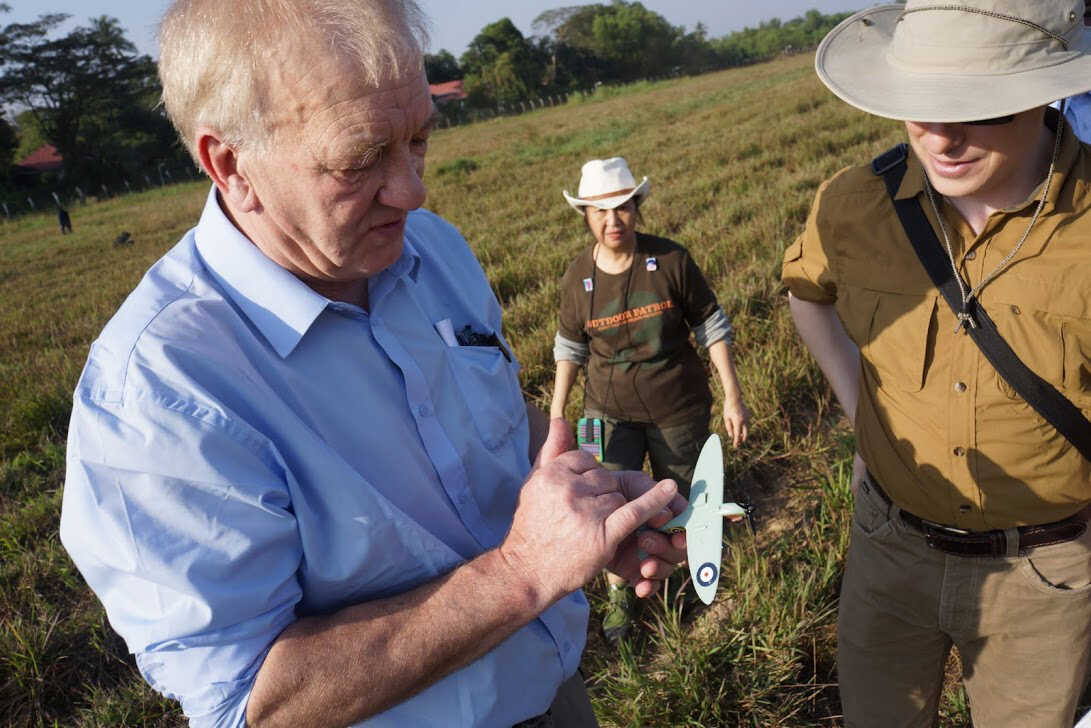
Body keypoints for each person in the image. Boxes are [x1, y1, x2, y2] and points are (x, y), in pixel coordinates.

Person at [58, 2, 690, 726]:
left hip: (553, 692)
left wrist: (583, 511)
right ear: (230, 165)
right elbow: (253, 703)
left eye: (419, 137)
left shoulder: (432, 251)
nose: (413, 190)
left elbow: (498, 432)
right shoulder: (160, 395)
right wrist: (521, 573)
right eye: (359, 159)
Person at [783, 1, 1091, 726]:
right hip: (888, 548)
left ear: (1040, 90)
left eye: (975, 108)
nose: (940, 136)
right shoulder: (851, 204)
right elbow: (807, 295)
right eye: (918, 105)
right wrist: (863, 417)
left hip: (1045, 572)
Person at [551, 157, 749, 643]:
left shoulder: (672, 262)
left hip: (677, 410)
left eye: (621, 208)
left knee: (685, 501)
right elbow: (570, 349)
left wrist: (733, 395)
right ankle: (622, 592)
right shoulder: (578, 277)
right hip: (606, 413)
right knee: (607, 504)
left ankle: (679, 579)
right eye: (599, 212)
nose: (612, 221)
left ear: (637, 208)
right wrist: (558, 416)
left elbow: (711, 328)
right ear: (585, 217)